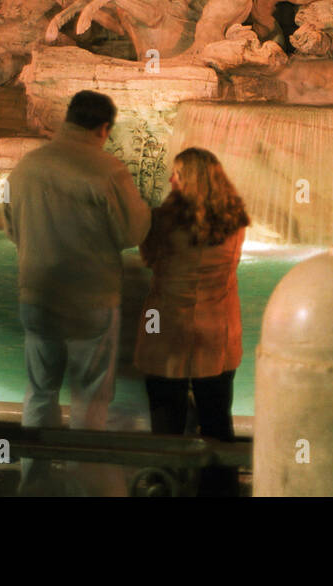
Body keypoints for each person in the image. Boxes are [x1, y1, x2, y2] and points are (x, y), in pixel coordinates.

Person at [3, 90, 151, 495]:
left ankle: (34, 484)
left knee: (40, 392)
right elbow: (131, 233)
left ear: (67, 118)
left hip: (37, 295)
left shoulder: (26, 167)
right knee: (90, 400)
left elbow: (11, 228)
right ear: (103, 129)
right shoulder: (107, 170)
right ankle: (85, 485)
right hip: (92, 299)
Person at [134, 148, 249, 495]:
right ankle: (220, 492)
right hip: (218, 331)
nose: (171, 179)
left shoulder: (163, 220)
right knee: (217, 423)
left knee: (166, 425)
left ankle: (165, 488)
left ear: (191, 181)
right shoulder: (235, 221)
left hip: (165, 330)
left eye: (178, 175)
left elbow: (148, 258)